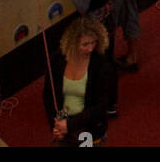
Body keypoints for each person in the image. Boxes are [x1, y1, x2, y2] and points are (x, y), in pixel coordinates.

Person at [43, 16, 111, 147]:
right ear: (73, 43)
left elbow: (100, 107)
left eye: (93, 43)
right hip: (64, 129)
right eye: (85, 44)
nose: (90, 49)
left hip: (90, 131)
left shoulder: (101, 65)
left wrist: (68, 125)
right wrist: (55, 126)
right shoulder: (57, 61)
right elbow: (48, 96)